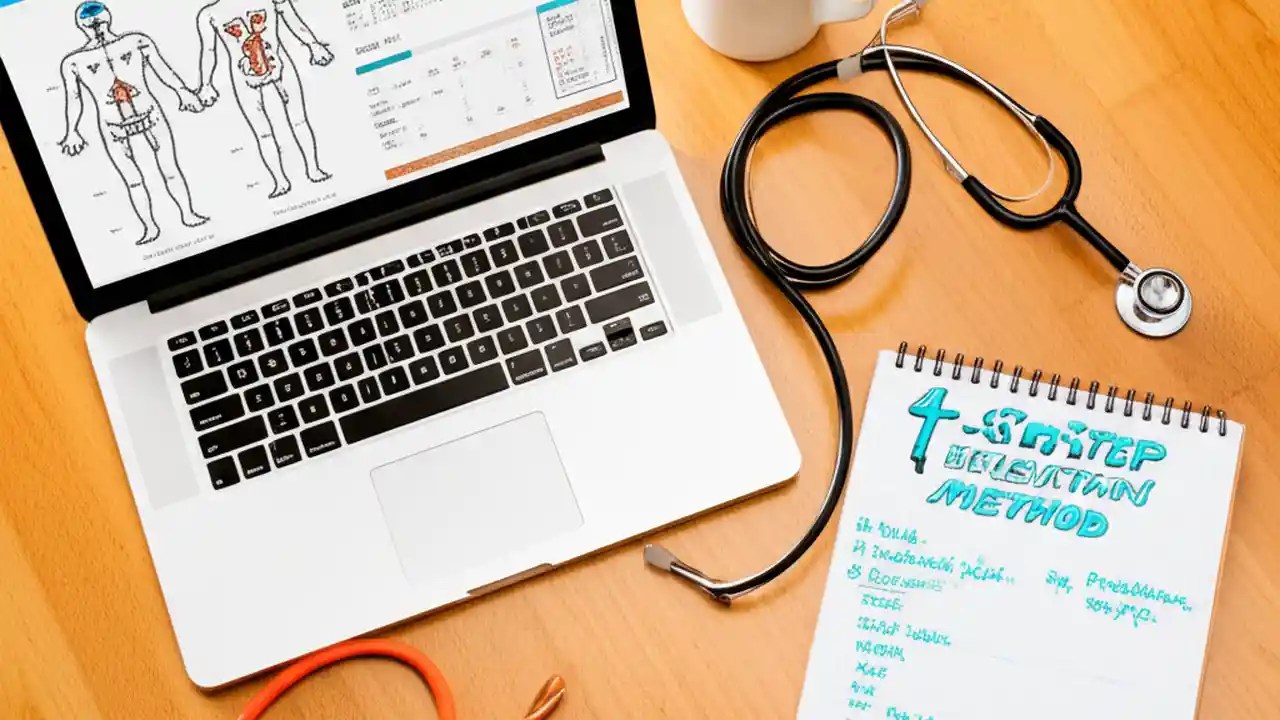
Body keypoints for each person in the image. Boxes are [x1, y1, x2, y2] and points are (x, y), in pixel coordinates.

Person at [58, 1, 209, 246]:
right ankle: (150, 227)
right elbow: (74, 98)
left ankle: (188, 214)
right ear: (81, 25)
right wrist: (71, 131)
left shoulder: (136, 41)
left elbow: (162, 69)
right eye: (90, 21)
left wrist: (183, 92)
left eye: (99, 19)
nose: (96, 25)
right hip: (112, 126)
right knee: (133, 179)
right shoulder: (74, 62)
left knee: (170, 169)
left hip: (150, 114)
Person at [195, 0, 334, 198]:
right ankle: (280, 180)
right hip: (243, 75)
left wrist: (313, 45)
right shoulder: (209, 14)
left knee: (299, 120)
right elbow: (208, 51)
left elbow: (293, 19)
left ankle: (313, 169)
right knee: (263, 133)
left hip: (278, 63)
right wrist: (205, 84)